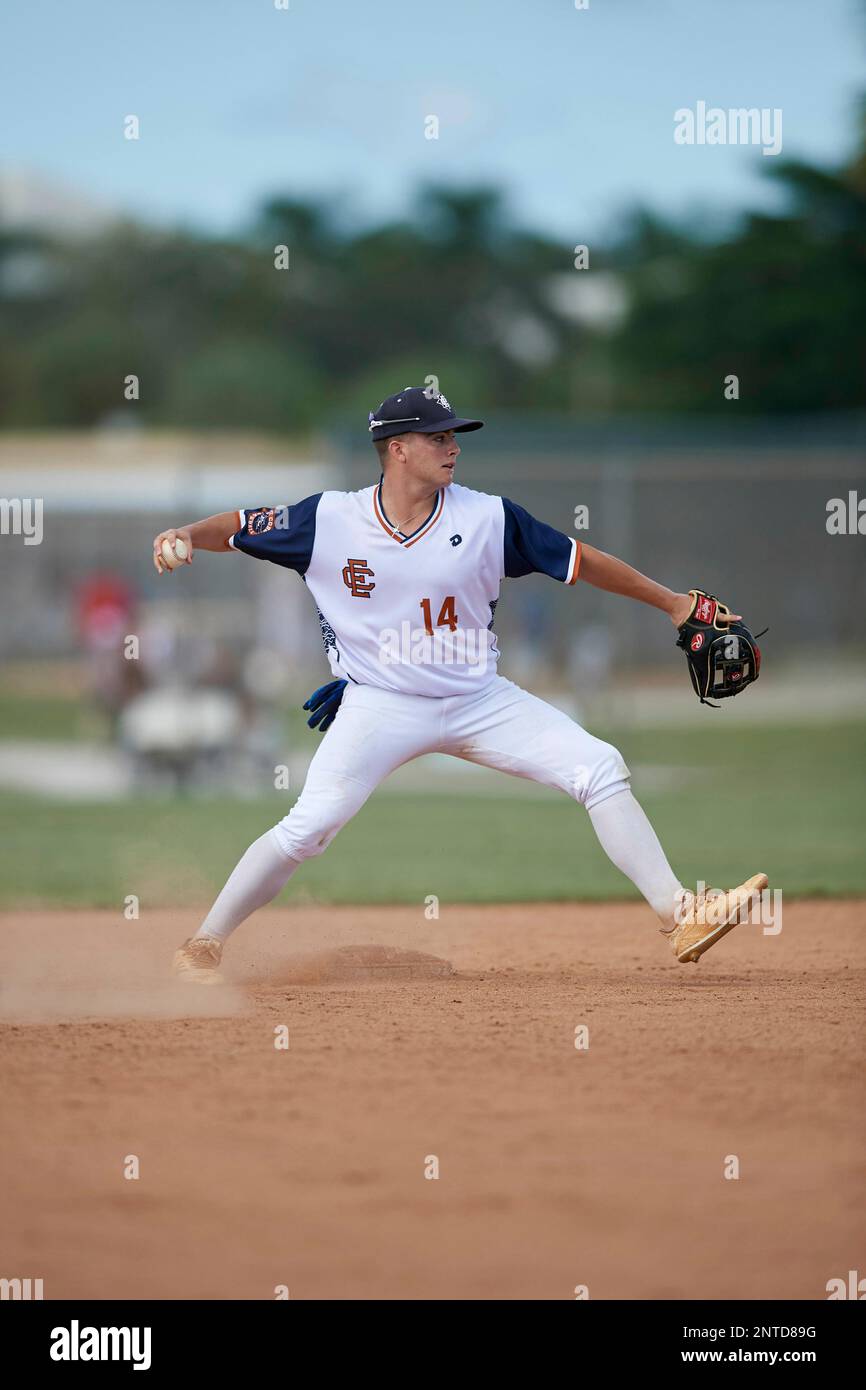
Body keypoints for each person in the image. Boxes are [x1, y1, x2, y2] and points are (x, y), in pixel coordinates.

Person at [152, 387, 766, 984]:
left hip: (480, 700)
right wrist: (184, 535)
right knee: (309, 827)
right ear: (397, 448)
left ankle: (681, 915)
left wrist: (673, 603)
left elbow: (579, 560)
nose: (453, 448)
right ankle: (204, 943)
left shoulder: (488, 518)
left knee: (599, 766)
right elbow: (240, 526)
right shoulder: (329, 519)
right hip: (378, 706)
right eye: (438, 437)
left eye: (455, 437)